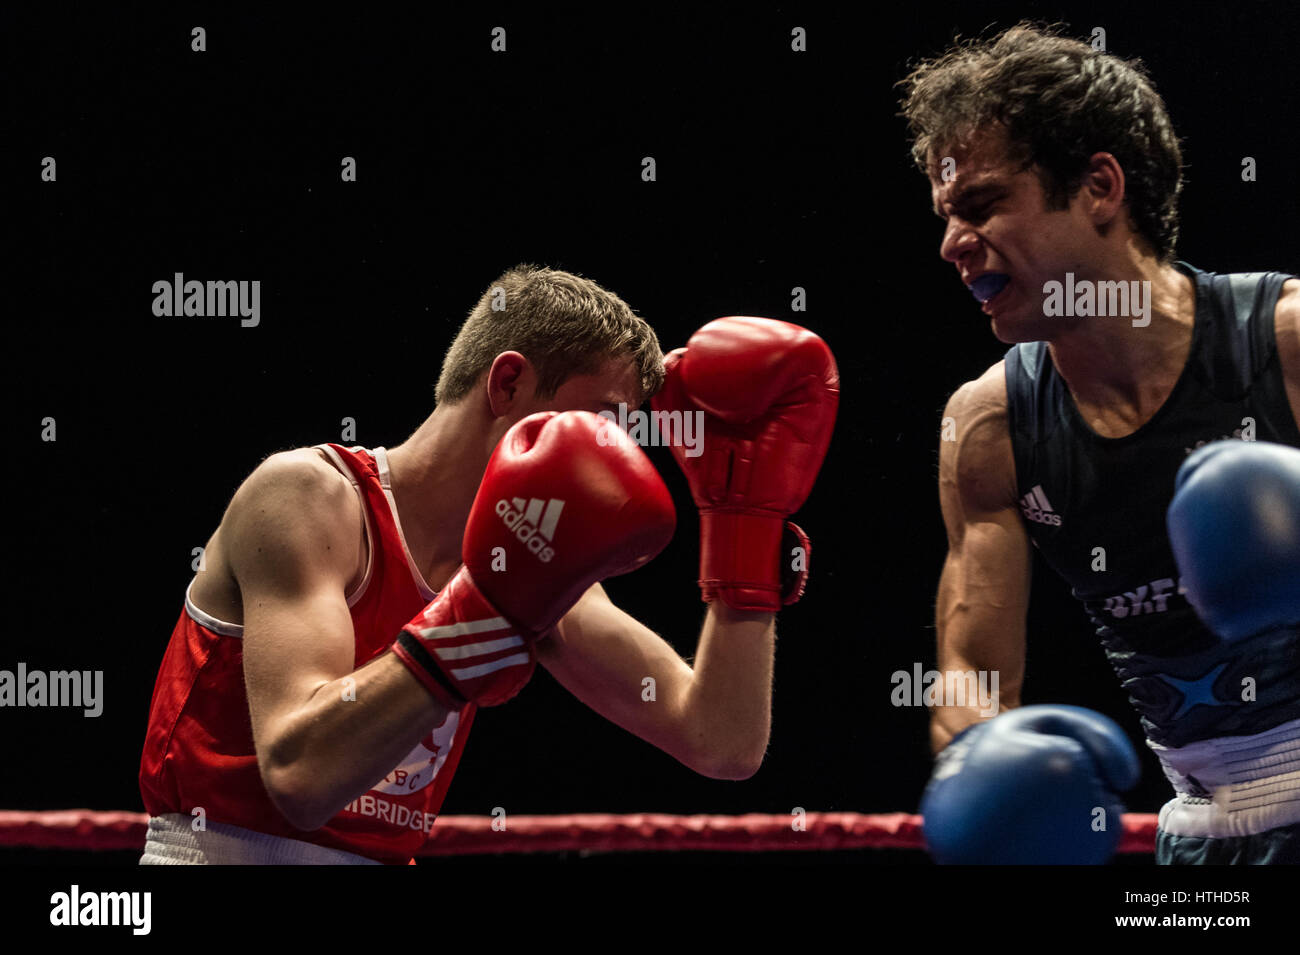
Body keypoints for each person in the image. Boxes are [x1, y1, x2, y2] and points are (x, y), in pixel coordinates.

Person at [138, 265, 838, 864]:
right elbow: (300, 776)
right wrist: (478, 619)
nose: (616, 456)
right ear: (507, 384)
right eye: (602, 419)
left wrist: (743, 531)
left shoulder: (536, 565)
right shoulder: (307, 499)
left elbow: (722, 739)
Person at [898, 24, 1300, 863]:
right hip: (1206, 842)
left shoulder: (1286, 344)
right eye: (945, 217)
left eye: (981, 206)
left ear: (1100, 187)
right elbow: (972, 679)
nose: (951, 244)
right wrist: (980, 758)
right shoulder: (990, 427)